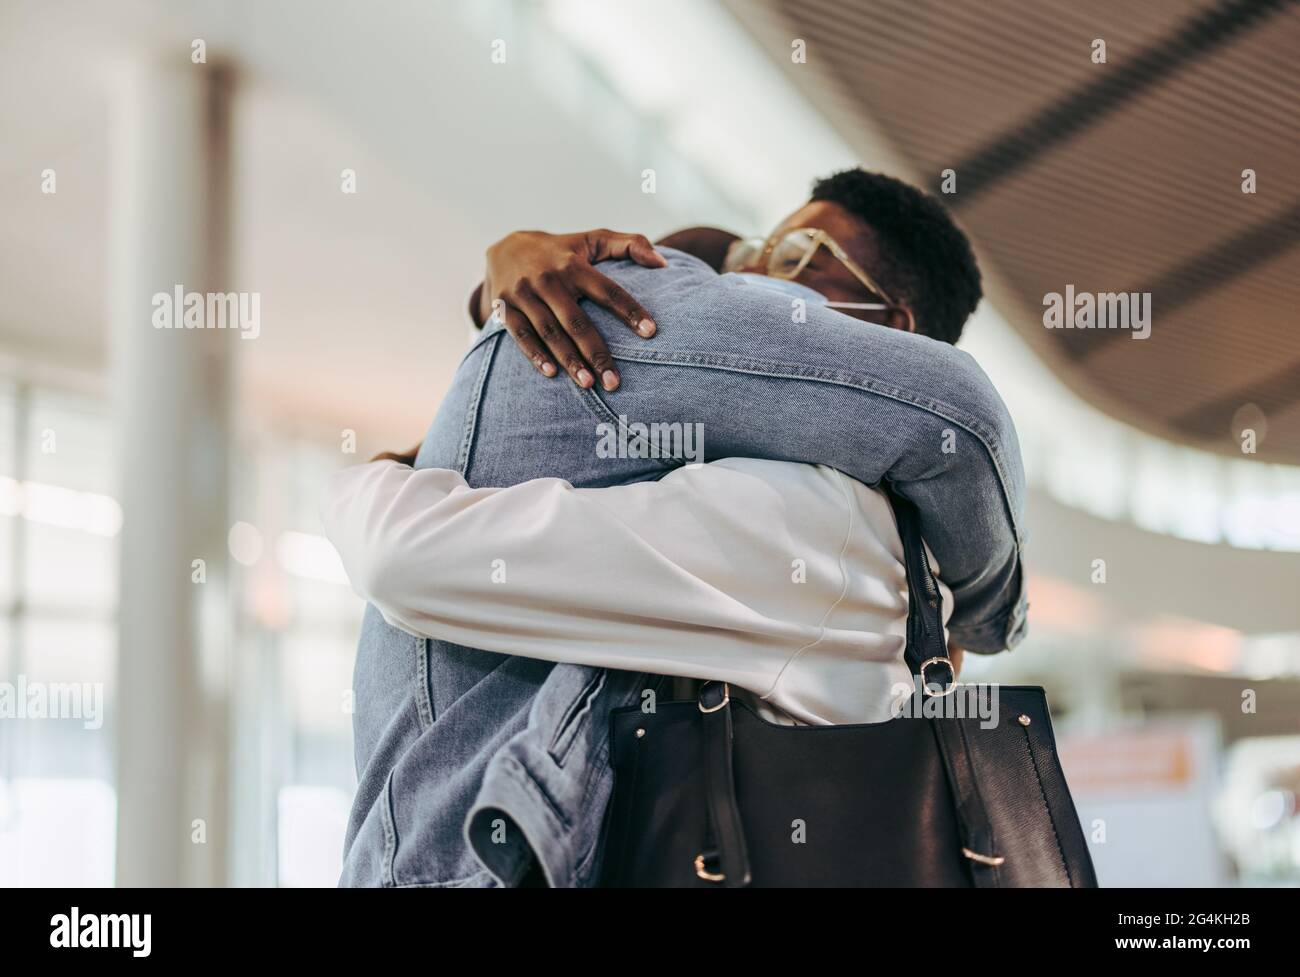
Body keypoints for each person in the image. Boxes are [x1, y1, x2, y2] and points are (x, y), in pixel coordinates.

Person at [326, 169, 1027, 888]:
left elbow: (405, 555)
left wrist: (365, 481)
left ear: (891, 334)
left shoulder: (817, 518)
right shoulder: (834, 520)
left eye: (795, 258)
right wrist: (498, 282)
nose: (749, 272)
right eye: (755, 250)